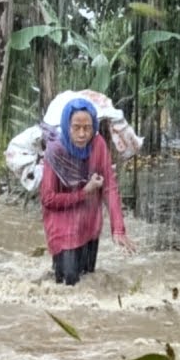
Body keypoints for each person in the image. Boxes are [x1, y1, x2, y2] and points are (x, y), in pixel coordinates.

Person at [40, 97, 136, 285]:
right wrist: (84, 193)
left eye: (88, 128)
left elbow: (109, 186)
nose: (82, 134)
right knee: (68, 282)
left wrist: (118, 229)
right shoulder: (55, 152)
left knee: (88, 281)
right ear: (67, 127)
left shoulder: (98, 145)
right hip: (62, 228)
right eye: (76, 127)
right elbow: (47, 198)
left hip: (89, 225)